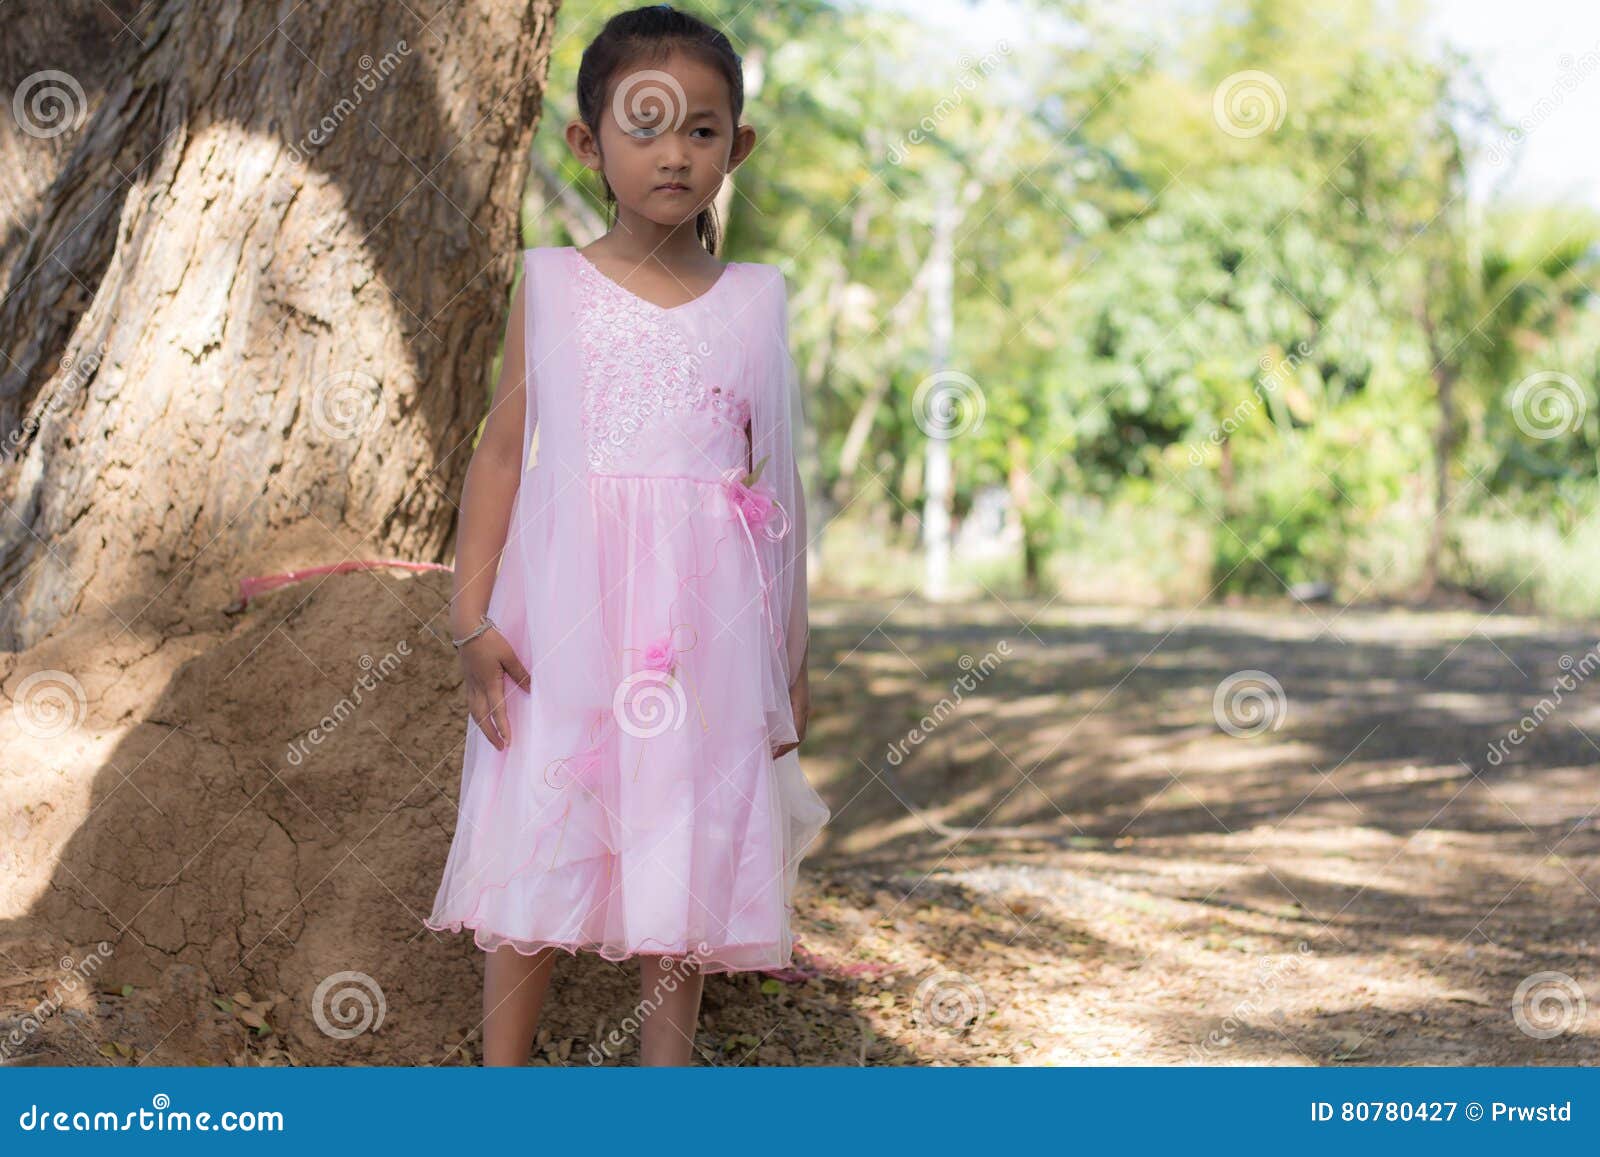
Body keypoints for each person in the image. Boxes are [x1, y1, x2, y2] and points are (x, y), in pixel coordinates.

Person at [424, 3, 829, 1067]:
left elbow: (775, 490)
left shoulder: (755, 300)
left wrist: (789, 660)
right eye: (643, 125)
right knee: (539, 818)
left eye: (702, 130)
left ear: (735, 148)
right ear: (586, 143)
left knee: (685, 832)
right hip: (561, 611)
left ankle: (664, 1080)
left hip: (704, 629)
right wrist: (468, 613)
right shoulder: (549, 282)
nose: (674, 153)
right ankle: (500, 1082)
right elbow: (503, 454)